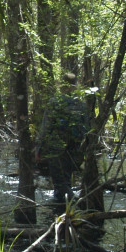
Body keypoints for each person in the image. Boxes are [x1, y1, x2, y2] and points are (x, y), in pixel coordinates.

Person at [37, 73, 88, 205]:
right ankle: (63, 211)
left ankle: (75, 206)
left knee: (60, 182)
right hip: (75, 148)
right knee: (66, 178)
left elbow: (46, 127)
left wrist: (39, 147)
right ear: (75, 86)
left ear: (62, 86)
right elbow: (87, 128)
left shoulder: (55, 102)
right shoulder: (81, 105)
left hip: (56, 148)